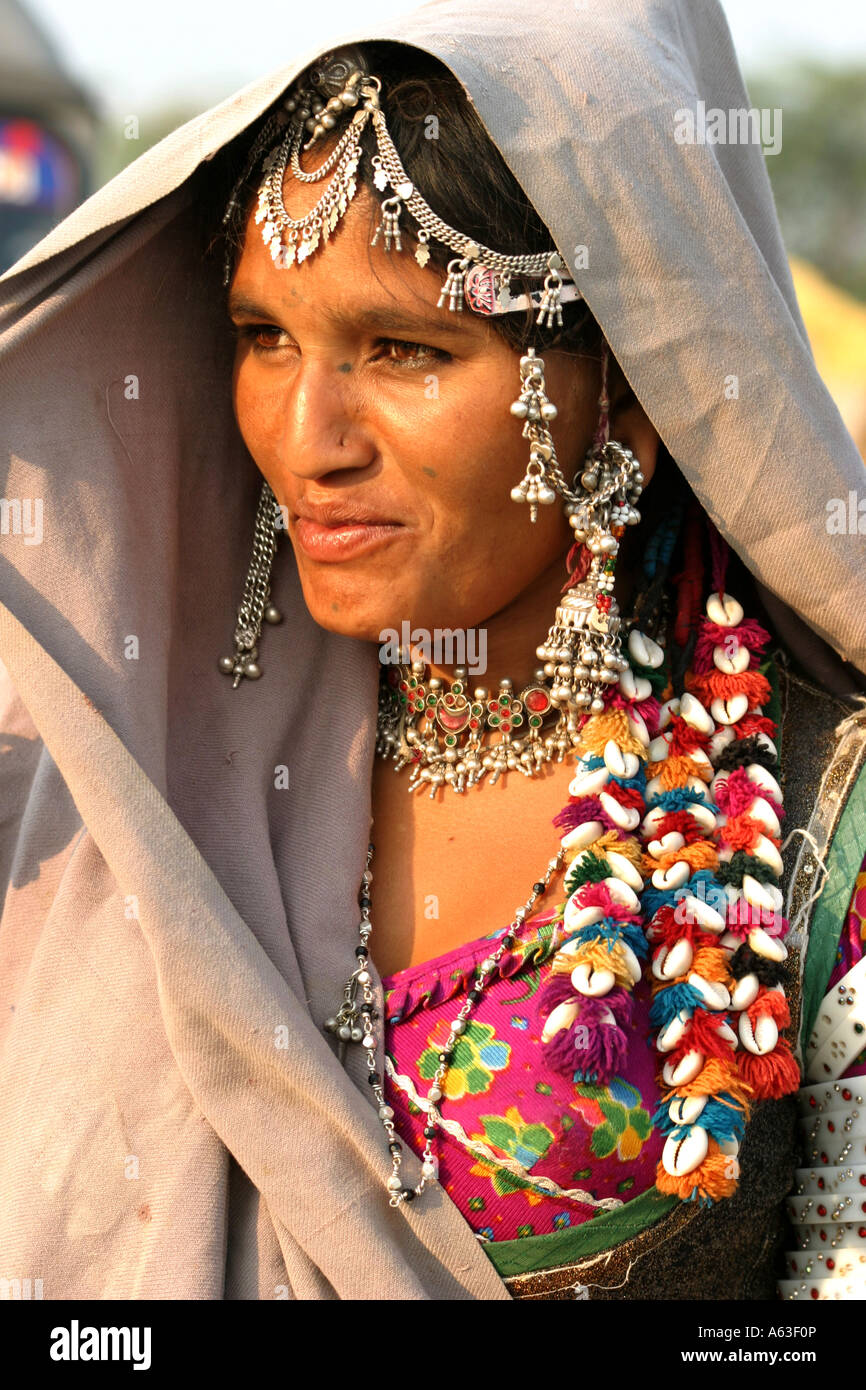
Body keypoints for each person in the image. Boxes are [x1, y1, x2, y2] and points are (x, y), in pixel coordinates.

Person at [0, 0, 864, 1302]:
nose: (307, 437)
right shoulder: (129, 788)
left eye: (403, 350)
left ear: (622, 389)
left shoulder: (801, 830)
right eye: (262, 337)